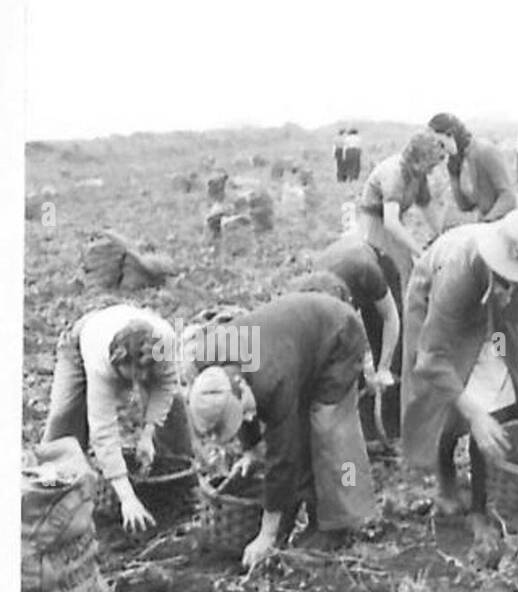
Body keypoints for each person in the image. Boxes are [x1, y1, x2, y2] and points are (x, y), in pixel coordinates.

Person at [401, 210, 518, 545]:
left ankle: (479, 507)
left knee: (498, 396)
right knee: (445, 403)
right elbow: (433, 357)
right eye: (511, 277)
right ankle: (445, 479)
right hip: (434, 306)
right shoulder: (458, 273)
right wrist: (473, 414)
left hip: (497, 311)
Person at [186, 292, 377, 568]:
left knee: (326, 431)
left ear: (242, 390)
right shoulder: (207, 362)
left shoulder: (272, 381)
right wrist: (251, 449)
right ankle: (300, 503)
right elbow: (243, 406)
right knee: (297, 433)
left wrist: (267, 534)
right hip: (295, 342)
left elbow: (283, 458)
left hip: (337, 335)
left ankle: (337, 524)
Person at [42, 304, 192, 533]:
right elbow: (103, 432)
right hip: (82, 340)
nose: (141, 379)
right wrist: (127, 498)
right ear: (117, 363)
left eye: (146, 372)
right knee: (64, 417)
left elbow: (165, 386)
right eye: (134, 374)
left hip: (129, 328)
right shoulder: (100, 361)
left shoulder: (164, 345)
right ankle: (49, 493)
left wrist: (148, 433)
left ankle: (179, 487)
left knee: (174, 408)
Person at [314, 233, 405, 441]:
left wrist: (383, 367)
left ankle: (395, 431)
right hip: (336, 270)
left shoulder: (367, 272)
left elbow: (391, 318)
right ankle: (369, 437)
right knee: (349, 368)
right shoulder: (312, 295)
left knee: (389, 349)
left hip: (375, 266)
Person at [355, 129, 445, 294]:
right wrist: (420, 252)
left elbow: (426, 207)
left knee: (407, 270)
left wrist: (442, 236)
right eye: (430, 165)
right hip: (374, 224)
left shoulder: (418, 174)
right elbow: (391, 222)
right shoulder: (394, 173)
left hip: (392, 224)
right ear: (418, 160)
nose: (431, 170)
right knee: (391, 272)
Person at [427, 112, 517, 223]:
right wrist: (454, 176)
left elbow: (509, 197)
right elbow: (464, 207)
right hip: (486, 222)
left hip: (505, 223)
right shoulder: (458, 160)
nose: (442, 150)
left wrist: (487, 223)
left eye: (442, 144)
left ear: (451, 135)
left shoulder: (485, 151)